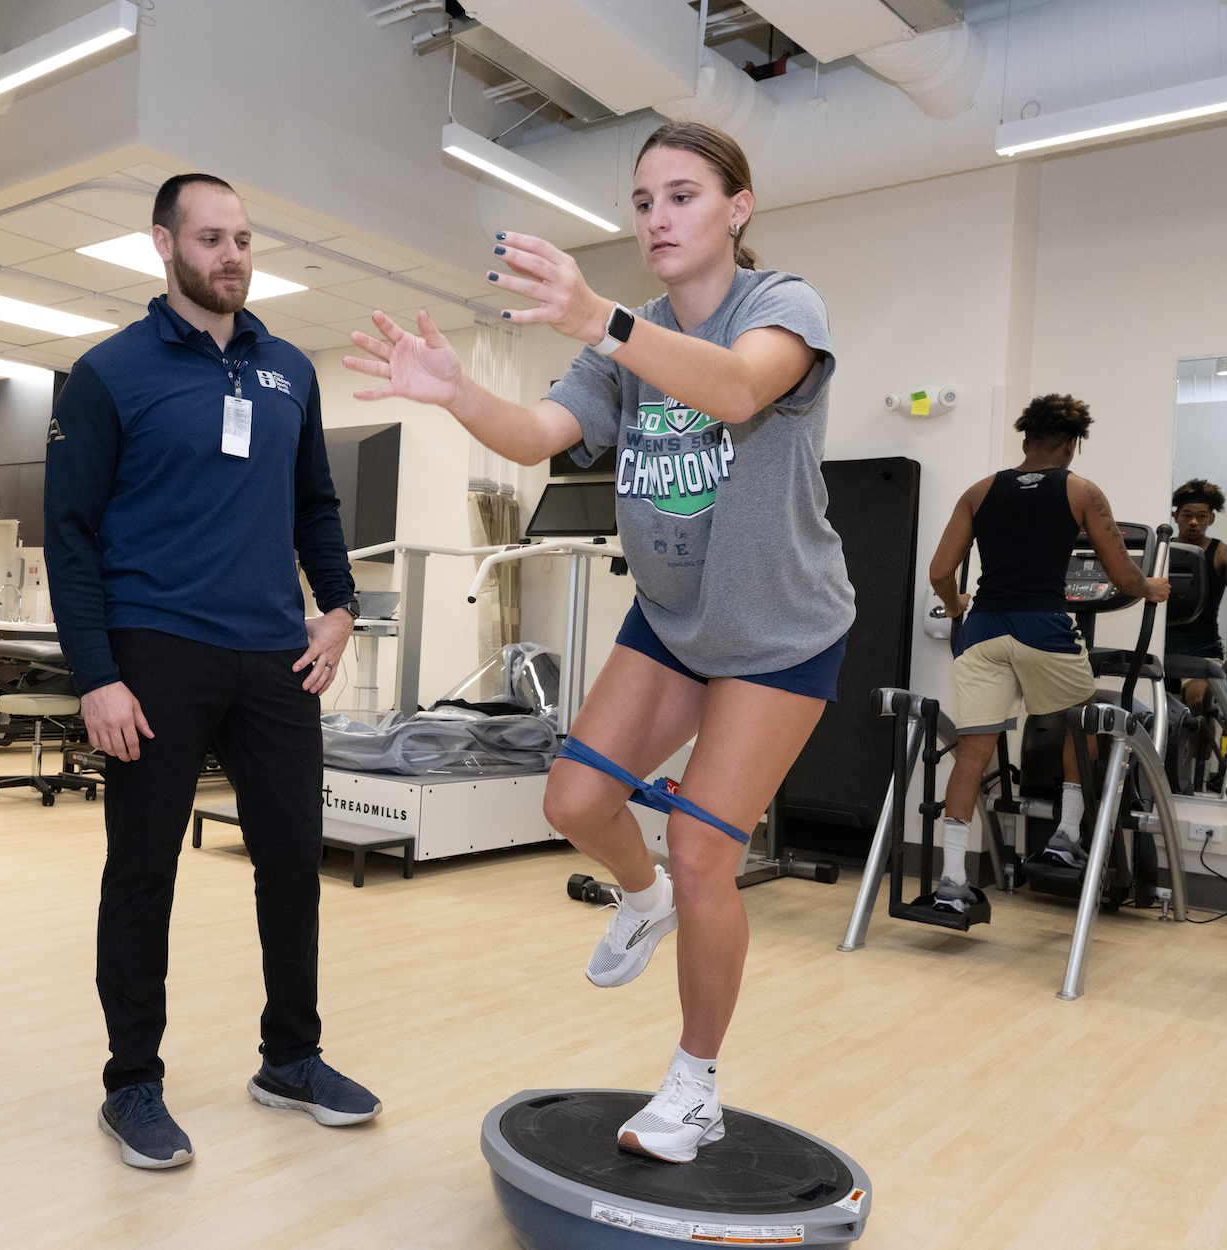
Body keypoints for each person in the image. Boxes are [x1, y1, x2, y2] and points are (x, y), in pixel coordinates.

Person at [344, 121, 851, 1163]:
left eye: (682, 196)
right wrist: (457, 394)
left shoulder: (782, 306)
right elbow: (536, 433)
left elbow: (739, 388)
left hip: (777, 628)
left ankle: (695, 1083)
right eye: (643, 202)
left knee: (706, 848)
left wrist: (602, 316)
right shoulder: (626, 339)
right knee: (573, 798)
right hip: (672, 617)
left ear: (737, 208)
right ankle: (641, 895)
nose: (657, 218)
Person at [45, 173, 380, 1171]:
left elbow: (315, 502)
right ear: (163, 245)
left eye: (242, 237)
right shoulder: (109, 375)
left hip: (275, 654)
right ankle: (133, 1081)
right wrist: (97, 674)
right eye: (209, 238)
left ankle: (292, 1057)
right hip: (157, 651)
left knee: (291, 866)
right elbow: (70, 539)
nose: (231, 254)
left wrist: (341, 604)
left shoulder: (288, 371)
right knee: (144, 869)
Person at [927, 395, 1170, 908]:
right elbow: (1120, 574)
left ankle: (951, 881)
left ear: (1024, 441)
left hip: (984, 629)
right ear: (1071, 444)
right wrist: (1151, 588)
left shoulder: (979, 491)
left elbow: (940, 573)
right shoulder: (1082, 491)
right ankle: (1065, 836)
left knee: (974, 749)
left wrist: (954, 608)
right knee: (1084, 720)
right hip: (1045, 626)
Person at [1167, 479, 1227, 713]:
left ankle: (1198, 751)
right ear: (1175, 516)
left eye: (1201, 516)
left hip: (1202, 650)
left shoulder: (1226, 555)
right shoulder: (1161, 552)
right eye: (1187, 515)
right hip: (1159, 648)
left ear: (1211, 518)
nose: (1194, 522)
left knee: (1200, 701)